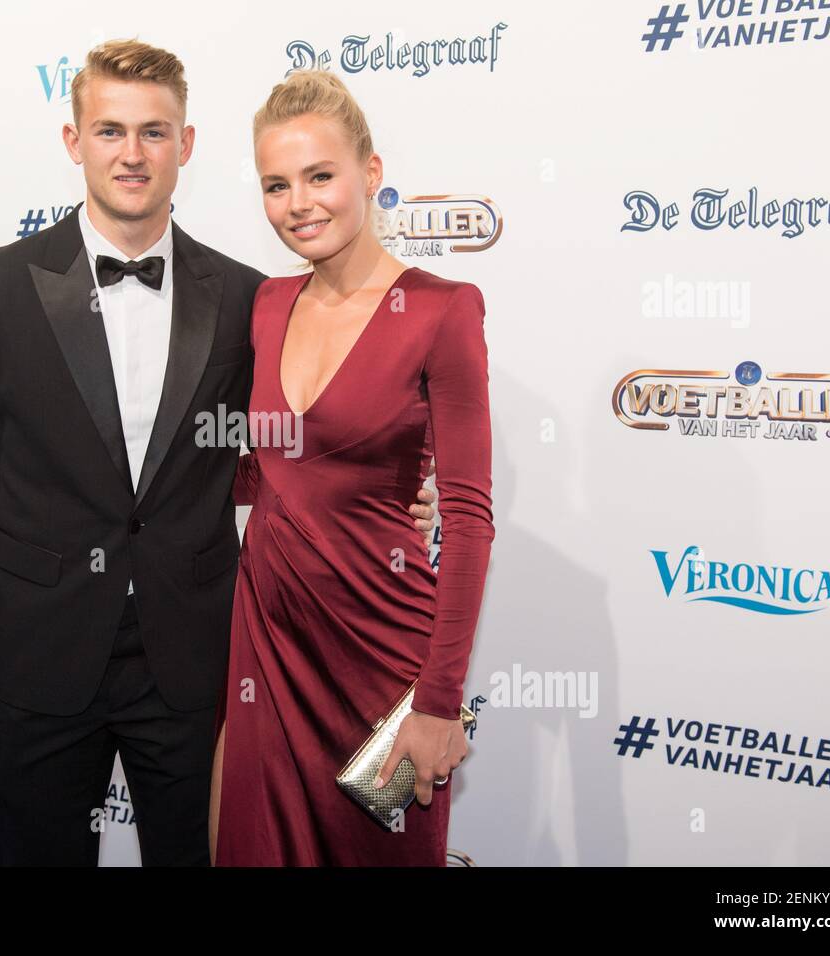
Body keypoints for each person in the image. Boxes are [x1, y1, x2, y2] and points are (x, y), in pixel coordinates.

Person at [0, 39, 437, 866]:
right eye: (111, 130)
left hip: (195, 657)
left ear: (186, 146)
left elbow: (279, 446)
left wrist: (393, 485)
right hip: (34, 654)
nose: (132, 153)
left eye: (155, 132)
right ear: (73, 140)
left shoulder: (247, 299)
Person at [211, 70, 495, 866]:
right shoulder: (267, 304)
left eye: (320, 175)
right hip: (267, 643)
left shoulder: (443, 309)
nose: (298, 202)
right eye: (276, 184)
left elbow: (469, 519)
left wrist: (438, 704)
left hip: (380, 648)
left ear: (371, 173)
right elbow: (267, 470)